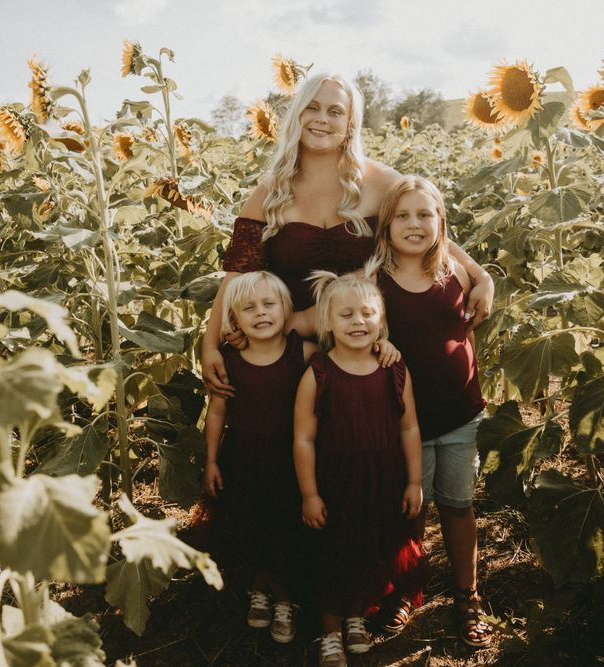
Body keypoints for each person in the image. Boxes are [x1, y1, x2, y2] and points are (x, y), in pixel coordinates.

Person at [202, 72, 494, 398]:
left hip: (370, 348)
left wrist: (481, 276)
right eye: (312, 108)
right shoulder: (268, 195)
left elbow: (427, 235)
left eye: (335, 111)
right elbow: (236, 274)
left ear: (350, 123)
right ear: (297, 114)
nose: (322, 119)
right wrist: (210, 345)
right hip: (294, 352)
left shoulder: (382, 182)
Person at [371, 175, 493, 647]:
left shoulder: (456, 271)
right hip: (405, 423)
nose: (414, 224)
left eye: (425, 214)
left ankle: (468, 596)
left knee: (459, 507)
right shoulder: (374, 280)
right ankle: (407, 591)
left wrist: (486, 278)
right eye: (402, 216)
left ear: (441, 221)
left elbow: (477, 281)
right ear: (385, 227)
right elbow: (343, 318)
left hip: (462, 414)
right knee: (412, 508)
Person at [293, 270, 424, 667]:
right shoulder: (319, 373)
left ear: (380, 322)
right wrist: (310, 493)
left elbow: (409, 425)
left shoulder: (394, 370)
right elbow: (303, 438)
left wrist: (415, 480)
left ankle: (356, 618)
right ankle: (331, 632)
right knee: (333, 550)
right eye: (346, 315)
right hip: (336, 481)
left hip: (383, 478)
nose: (358, 322)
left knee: (371, 548)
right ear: (328, 324)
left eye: (367, 314)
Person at [201, 271, 318, 644]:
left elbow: (345, 362)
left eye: (269, 305)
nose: (261, 313)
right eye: (249, 308)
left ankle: (286, 599)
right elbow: (217, 412)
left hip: (290, 461)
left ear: (287, 311)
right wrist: (212, 459)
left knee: (286, 528)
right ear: (234, 319)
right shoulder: (231, 360)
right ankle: (259, 589)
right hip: (244, 460)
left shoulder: (304, 352)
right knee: (251, 525)